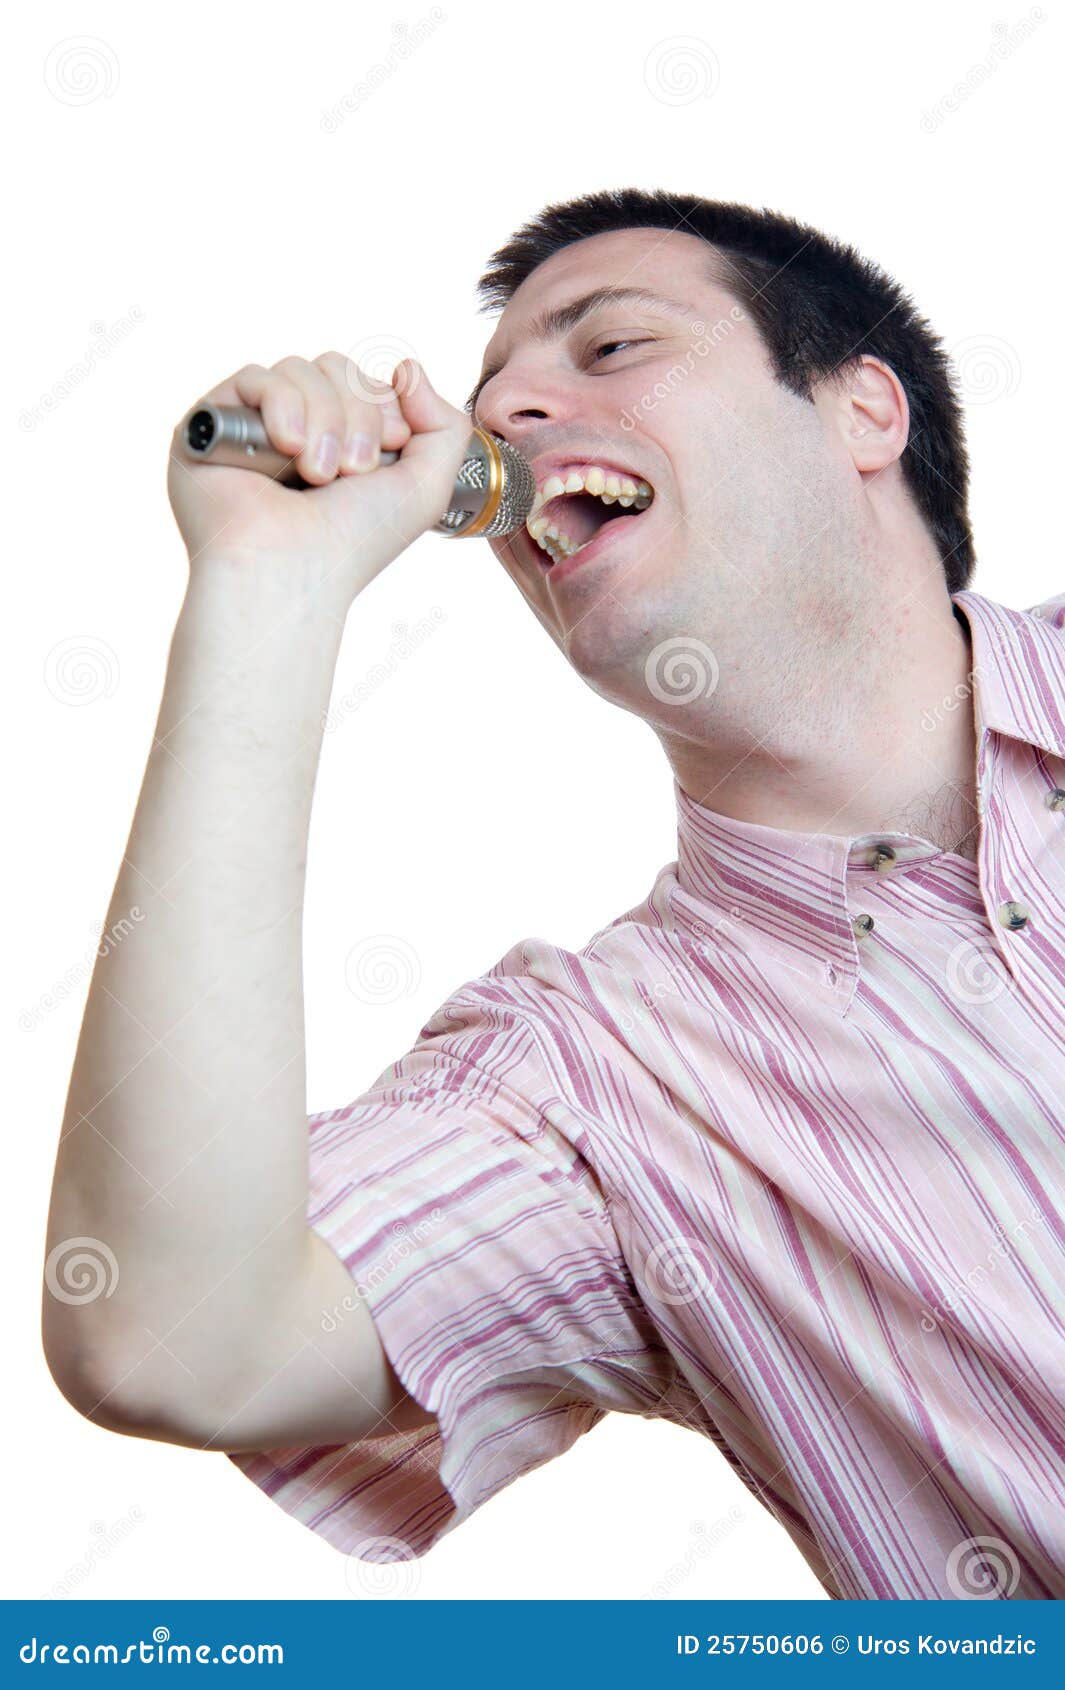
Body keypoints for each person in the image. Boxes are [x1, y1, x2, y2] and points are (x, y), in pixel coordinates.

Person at [42, 189, 1065, 1601]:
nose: (504, 408)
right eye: (490, 393)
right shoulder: (595, 1090)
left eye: (609, 347)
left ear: (861, 412)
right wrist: (265, 590)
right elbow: (172, 1338)